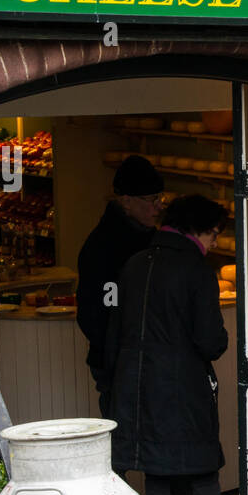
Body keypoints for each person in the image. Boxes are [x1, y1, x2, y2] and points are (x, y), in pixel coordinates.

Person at [104, 194, 230, 495]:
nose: (214, 243)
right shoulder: (197, 270)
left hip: (137, 394)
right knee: (202, 481)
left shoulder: (134, 264)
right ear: (196, 229)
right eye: (213, 234)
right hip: (184, 395)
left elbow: (114, 334)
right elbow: (211, 342)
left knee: (157, 477)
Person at [76, 155, 164, 413]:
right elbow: (95, 314)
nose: (159, 207)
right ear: (126, 201)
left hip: (149, 358)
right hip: (118, 362)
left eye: (161, 198)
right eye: (152, 200)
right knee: (124, 431)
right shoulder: (103, 248)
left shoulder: (152, 240)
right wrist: (120, 352)